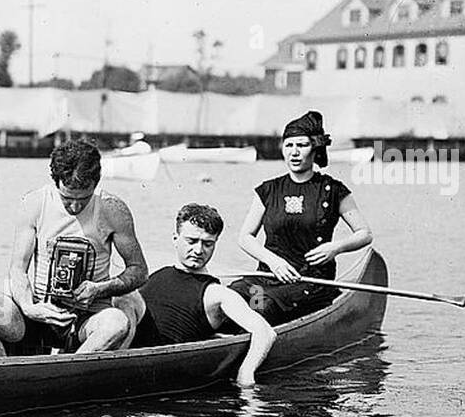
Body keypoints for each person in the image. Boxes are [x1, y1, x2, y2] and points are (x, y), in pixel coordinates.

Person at [0, 138, 148, 356]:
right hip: (37, 312)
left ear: (96, 183)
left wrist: (99, 289)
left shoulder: (113, 210)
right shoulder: (35, 203)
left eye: (84, 199)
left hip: (87, 318)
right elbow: (18, 269)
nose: (75, 206)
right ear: (56, 182)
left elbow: (139, 271)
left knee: (117, 323)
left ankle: (67, 374)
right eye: (67, 198)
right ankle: (5, 371)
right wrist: (28, 307)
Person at [229, 110, 373, 324]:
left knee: (262, 307)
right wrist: (273, 262)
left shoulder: (333, 190)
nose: (294, 152)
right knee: (232, 296)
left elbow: (365, 234)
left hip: (310, 282)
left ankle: (252, 339)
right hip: (268, 277)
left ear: (315, 149)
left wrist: (336, 248)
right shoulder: (268, 190)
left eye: (302, 145)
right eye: (289, 146)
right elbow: (245, 237)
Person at [130, 203, 277, 386]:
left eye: (208, 244)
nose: (199, 251)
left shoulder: (218, 294)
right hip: (130, 352)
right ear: (175, 239)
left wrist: (245, 372)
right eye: (191, 241)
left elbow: (265, 332)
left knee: (259, 297)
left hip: (161, 367)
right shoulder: (157, 274)